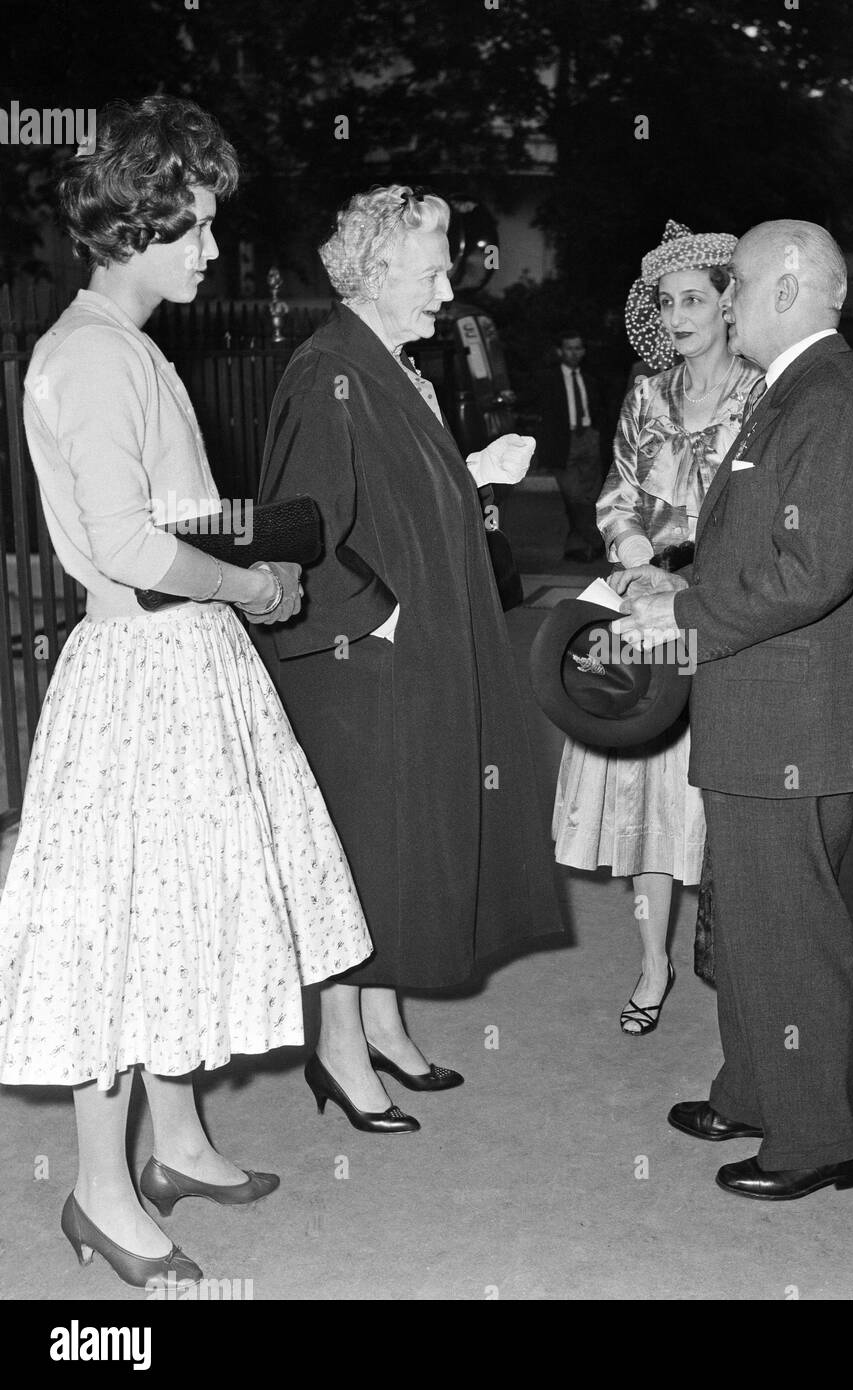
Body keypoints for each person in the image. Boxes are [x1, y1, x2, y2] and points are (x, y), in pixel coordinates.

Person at [0, 96, 372, 1288]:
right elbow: (126, 546)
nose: (213, 249)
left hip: (179, 665)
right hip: (143, 670)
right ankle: (99, 1194)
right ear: (136, 227)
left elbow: (167, 516)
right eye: (197, 228)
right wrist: (252, 586)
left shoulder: (131, 347)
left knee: (181, 912)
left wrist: (258, 549)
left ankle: (175, 1141)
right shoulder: (93, 357)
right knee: (124, 933)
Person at [256, 185, 565, 1135]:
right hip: (358, 667)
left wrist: (472, 473)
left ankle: (383, 1021)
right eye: (433, 268)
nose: (449, 284)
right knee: (362, 852)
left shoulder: (387, 362)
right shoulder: (327, 370)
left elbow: (392, 497)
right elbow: (300, 528)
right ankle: (338, 1047)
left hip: (404, 654)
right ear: (380, 267)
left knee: (398, 848)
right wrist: (381, 621)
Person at [614, 220, 853, 1200]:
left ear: (787, 284)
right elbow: (750, 538)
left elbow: (806, 571)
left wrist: (682, 616)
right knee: (744, 920)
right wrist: (679, 579)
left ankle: (818, 1137)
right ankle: (752, 1088)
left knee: (789, 929)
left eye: (733, 282)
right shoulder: (794, 393)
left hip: (797, 721)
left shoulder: (829, 399)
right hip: (762, 708)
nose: (723, 300)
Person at [553, 220, 760, 1034]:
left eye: (693, 300)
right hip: (645, 599)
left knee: (719, 799)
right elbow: (619, 491)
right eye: (665, 302)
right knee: (646, 798)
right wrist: (638, 553)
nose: (677, 317)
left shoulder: (762, 392)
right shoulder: (648, 393)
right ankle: (652, 964)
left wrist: (695, 572)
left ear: (728, 303)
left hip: (725, 602)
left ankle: (738, 966)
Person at [535, 329, 615, 561]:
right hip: (564, 442)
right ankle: (595, 540)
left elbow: (602, 409)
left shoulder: (591, 378)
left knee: (591, 495)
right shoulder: (548, 379)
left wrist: (599, 435)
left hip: (589, 438)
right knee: (574, 495)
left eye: (578, 348)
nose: (574, 353)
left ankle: (578, 547)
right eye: (569, 348)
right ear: (560, 351)